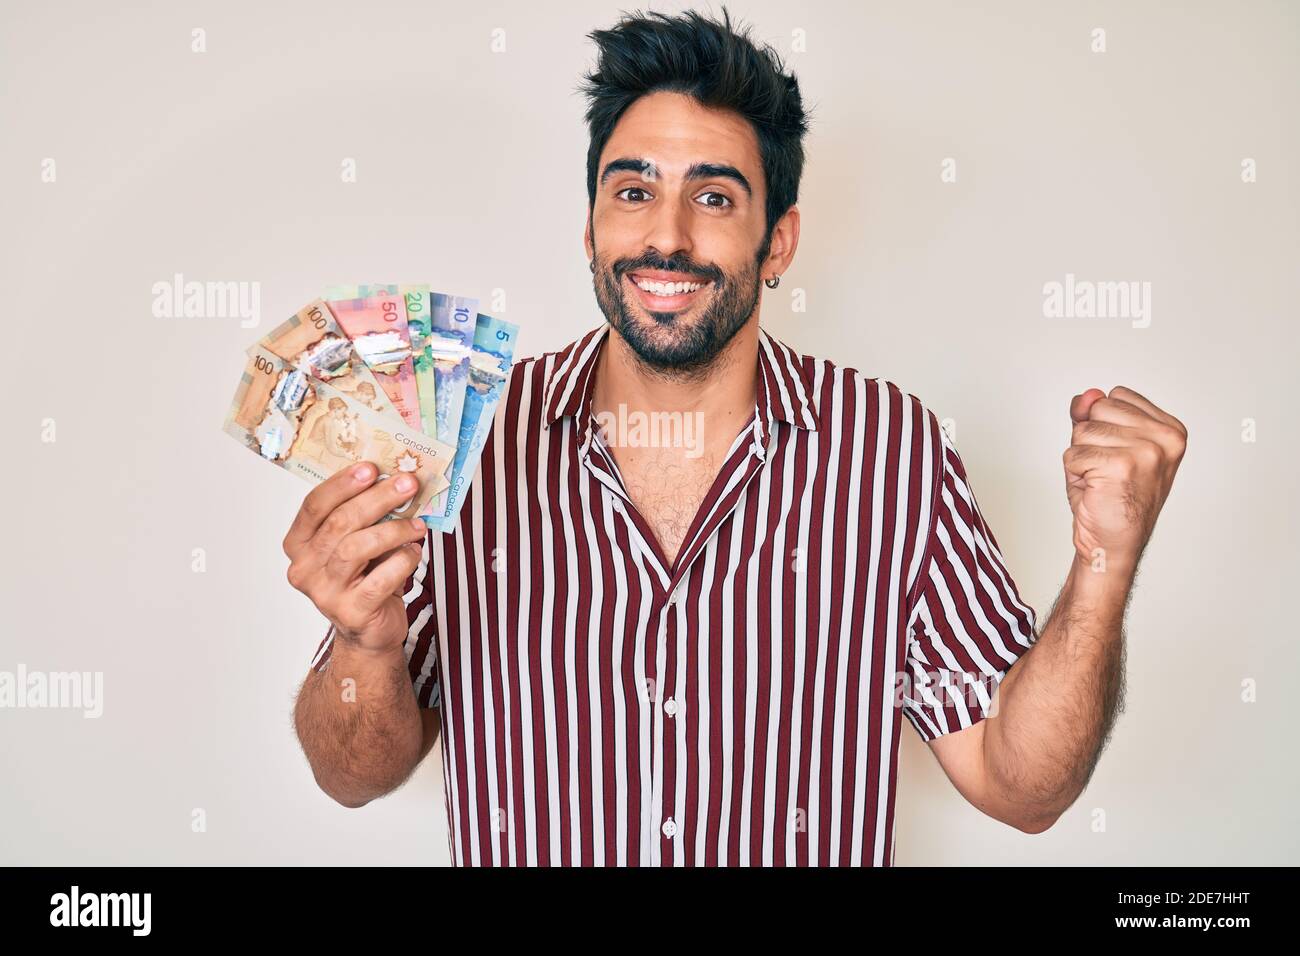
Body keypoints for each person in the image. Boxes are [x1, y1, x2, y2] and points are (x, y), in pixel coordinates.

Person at [284, 7, 1186, 866]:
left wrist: (1104, 564)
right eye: (632, 191)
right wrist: (365, 645)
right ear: (591, 229)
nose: (665, 238)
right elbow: (353, 775)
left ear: (779, 241)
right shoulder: (465, 439)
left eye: (714, 198)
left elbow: (1017, 783)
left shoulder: (892, 453)